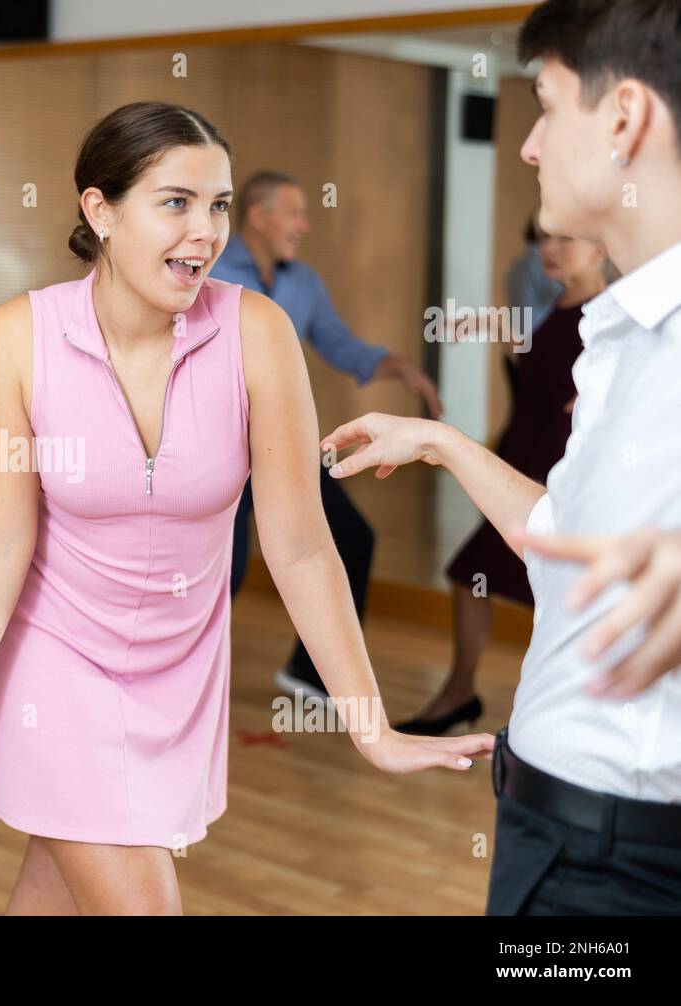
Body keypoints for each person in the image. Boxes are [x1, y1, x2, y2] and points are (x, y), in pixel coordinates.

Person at [0, 101, 491, 916]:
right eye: (176, 202)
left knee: (52, 899)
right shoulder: (19, 338)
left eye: (219, 204)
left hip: (178, 673)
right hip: (51, 664)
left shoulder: (257, 334)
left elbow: (301, 546)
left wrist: (369, 726)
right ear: (100, 210)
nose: (205, 231)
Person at [321, 0, 681, 914]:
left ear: (626, 118)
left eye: (547, 105)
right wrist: (439, 443)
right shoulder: (616, 333)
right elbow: (559, 539)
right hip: (550, 828)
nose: (527, 146)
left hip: (626, 857)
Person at [208, 171, 442, 699]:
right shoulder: (212, 271)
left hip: (280, 448)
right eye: (293, 213)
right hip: (216, 448)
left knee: (354, 539)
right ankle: (178, 684)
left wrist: (397, 367)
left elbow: (337, 343)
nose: (304, 224)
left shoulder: (303, 283)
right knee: (228, 569)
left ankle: (310, 673)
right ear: (258, 216)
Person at [397, 233, 608, 735]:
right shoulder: (549, 310)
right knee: (474, 574)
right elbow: (532, 366)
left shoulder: (609, 319)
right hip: (519, 465)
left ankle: (539, 715)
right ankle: (461, 692)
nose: (549, 250)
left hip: (559, 481)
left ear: (600, 247)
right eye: (544, 241)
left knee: (555, 594)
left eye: (565, 240)